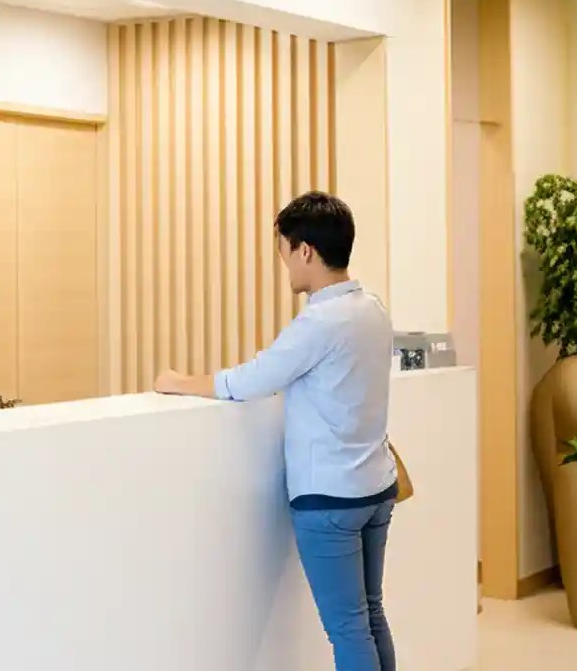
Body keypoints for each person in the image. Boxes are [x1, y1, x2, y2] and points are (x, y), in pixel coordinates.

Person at [154, 191, 397, 671]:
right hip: (376, 488)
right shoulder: (372, 308)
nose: (285, 266)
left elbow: (248, 381)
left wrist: (177, 382)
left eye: (285, 252)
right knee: (370, 614)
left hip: (330, 500)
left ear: (305, 250)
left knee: (348, 629)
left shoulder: (320, 322)